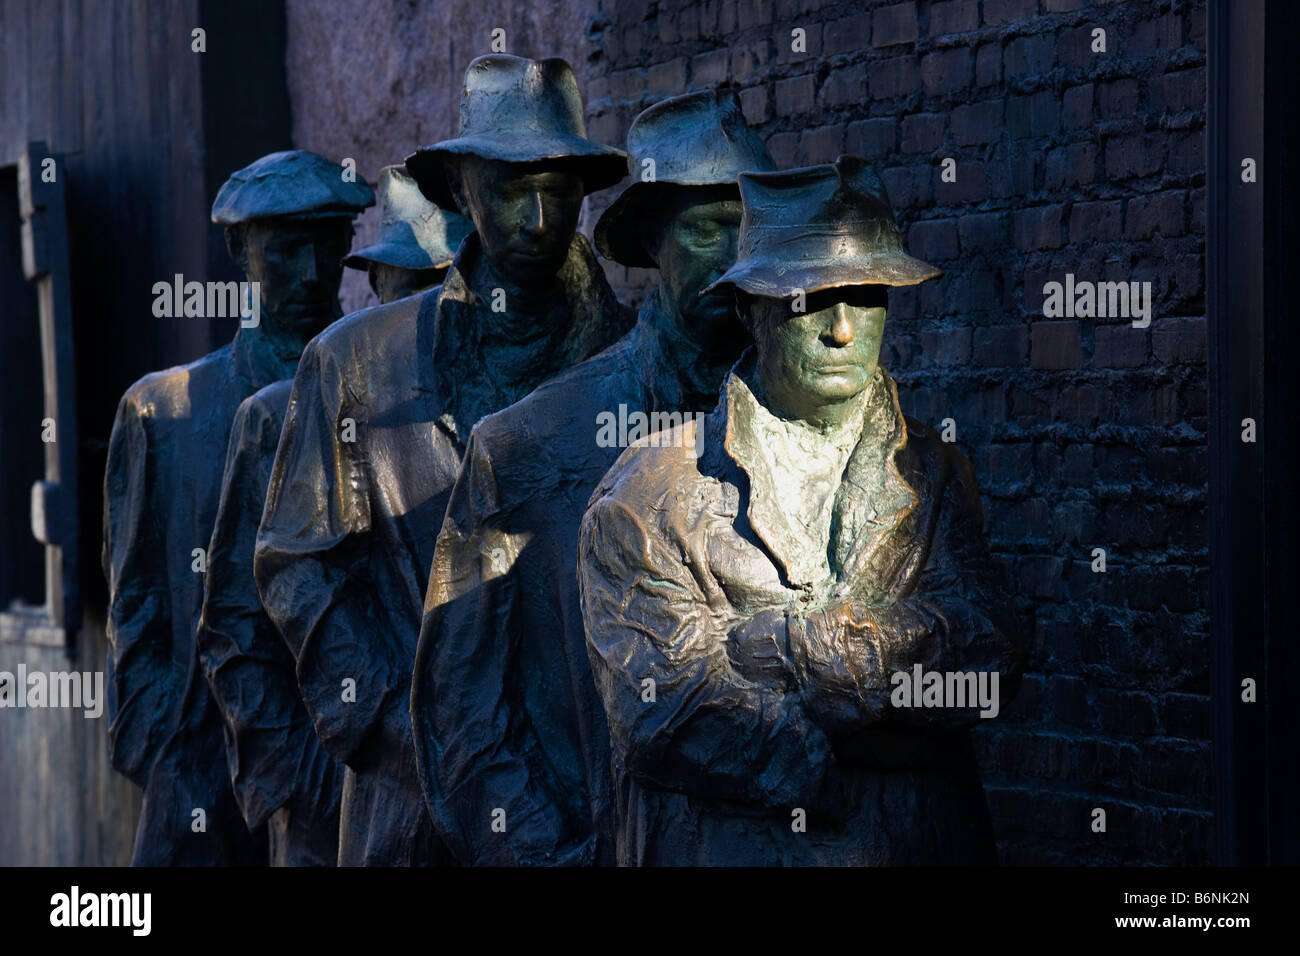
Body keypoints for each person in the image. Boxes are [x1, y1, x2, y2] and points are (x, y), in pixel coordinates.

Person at [578, 156, 1024, 865]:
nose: (843, 330)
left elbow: (989, 662)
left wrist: (793, 650)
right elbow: (664, 712)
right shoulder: (651, 492)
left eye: (866, 295)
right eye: (810, 300)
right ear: (751, 310)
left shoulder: (935, 476)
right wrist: (855, 748)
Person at [253, 54, 629, 866]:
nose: (536, 215)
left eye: (559, 188)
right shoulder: (354, 362)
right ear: (460, 189)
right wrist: (408, 730)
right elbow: (297, 565)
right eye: (508, 187)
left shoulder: (635, 366)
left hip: (588, 809)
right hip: (410, 814)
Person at [411, 89, 774, 866]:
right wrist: (549, 854)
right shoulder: (526, 444)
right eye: (713, 229)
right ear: (652, 240)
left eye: (757, 230)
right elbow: (464, 702)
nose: (740, 257)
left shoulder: (815, 430)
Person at [103, 150, 372, 865]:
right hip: (200, 784)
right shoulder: (165, 413)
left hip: (337, 786)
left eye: (328, 245)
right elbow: (136, 613)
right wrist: (165, 749)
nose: (312, 275)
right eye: (286, 251)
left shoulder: (383, 402)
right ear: (238, 250)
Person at [196, 161, 464, 866]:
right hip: (336, 795)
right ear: (376, 287)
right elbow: (238, 633)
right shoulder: (283, 415)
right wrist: (307, 791)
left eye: (446, 289)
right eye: (410, 292)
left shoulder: (490, 413)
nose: (425, 317)